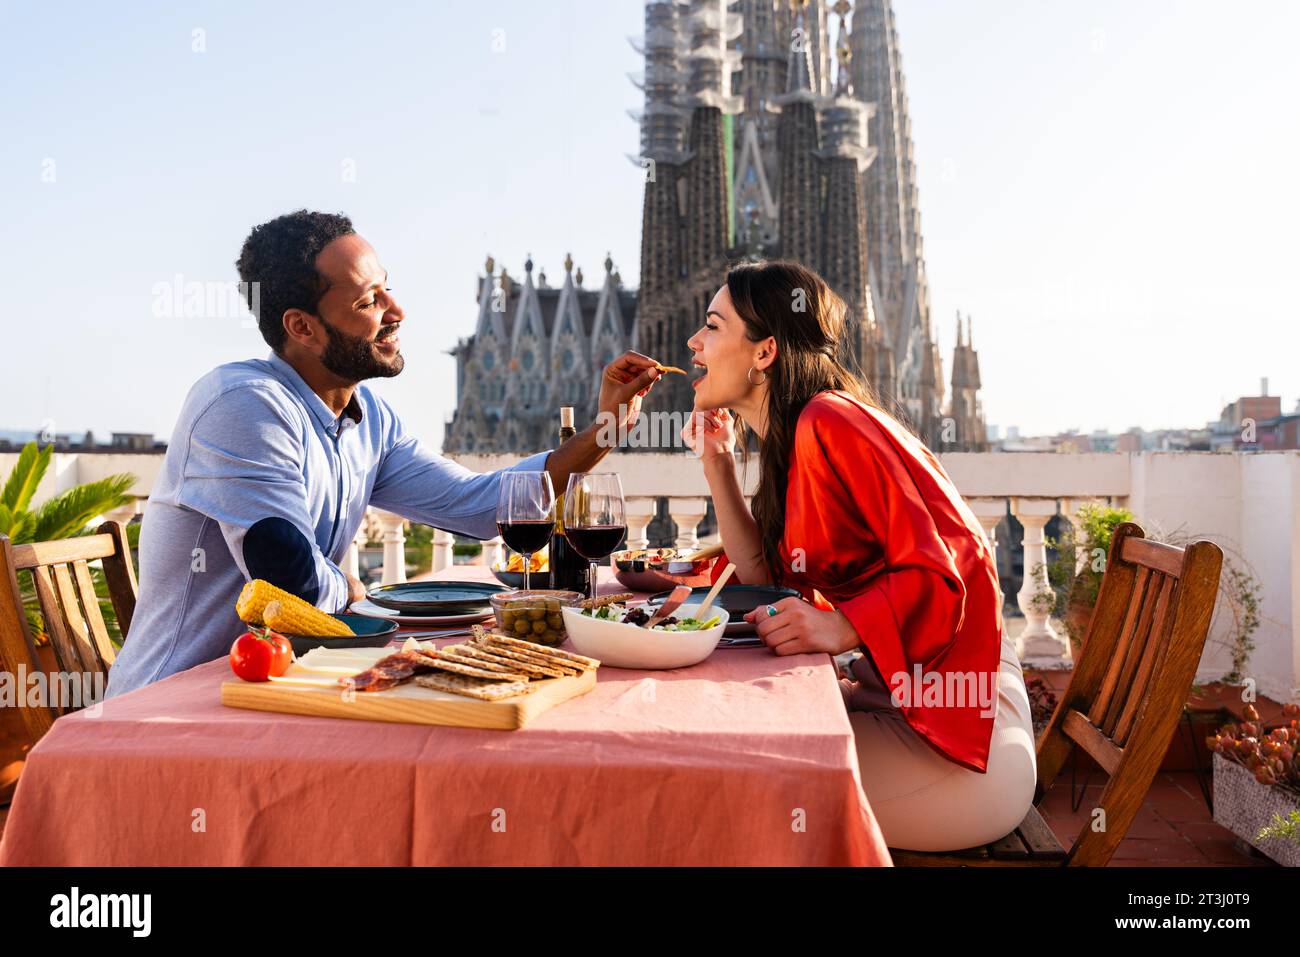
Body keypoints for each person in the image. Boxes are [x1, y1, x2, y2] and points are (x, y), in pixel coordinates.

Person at [105, 210, 661, 698]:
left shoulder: (367, 417)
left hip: (282, 686)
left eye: (387, 288)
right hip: (176, 703)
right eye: (369, 300)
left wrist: (605, 430)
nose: (396, 310)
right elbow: (286, 580)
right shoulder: (243, 405)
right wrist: (345, 585)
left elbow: (476, 507)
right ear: (301, 326)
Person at [680, 259, 1035, 852]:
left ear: (764, 352)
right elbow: (766, 578)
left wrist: (844, 624)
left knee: (720, 782)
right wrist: (717, 462)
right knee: (717, 746)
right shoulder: (795, 437)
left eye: (712, 327)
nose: (694, 343)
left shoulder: (830, 421)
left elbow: (957, 561)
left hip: (960, 743)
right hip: (903, 701)